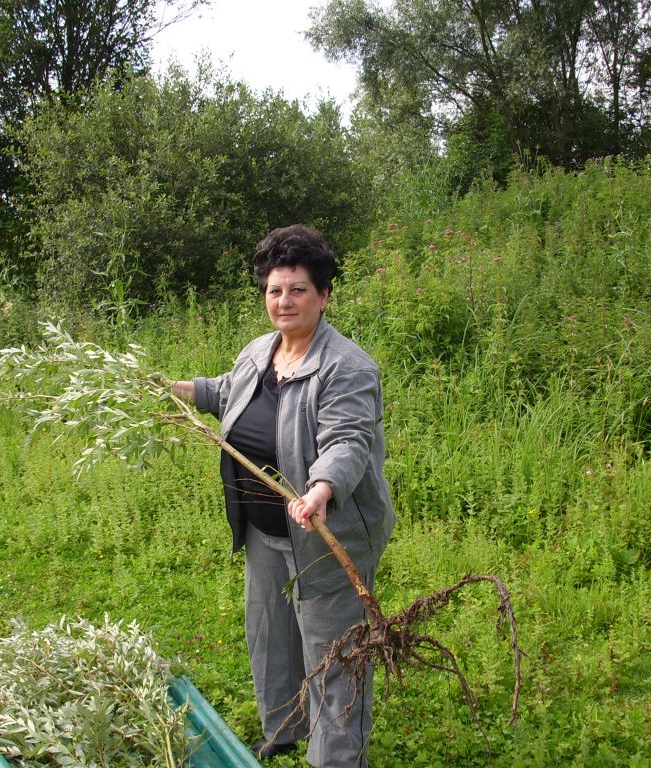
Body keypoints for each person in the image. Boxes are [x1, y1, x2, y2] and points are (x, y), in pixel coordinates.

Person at [172, 224, 395, 767]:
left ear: (323, 295)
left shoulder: (346, 366)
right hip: (265, 530)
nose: (284, 300)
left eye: (298, 289)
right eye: (275, 289)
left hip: (325, 531)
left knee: (334, 655)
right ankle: (285, 727)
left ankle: (337, 758)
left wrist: (321, 488)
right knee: (270, 635)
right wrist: (180, 389)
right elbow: (231, 390)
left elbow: (349, 440)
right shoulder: (259, 351)